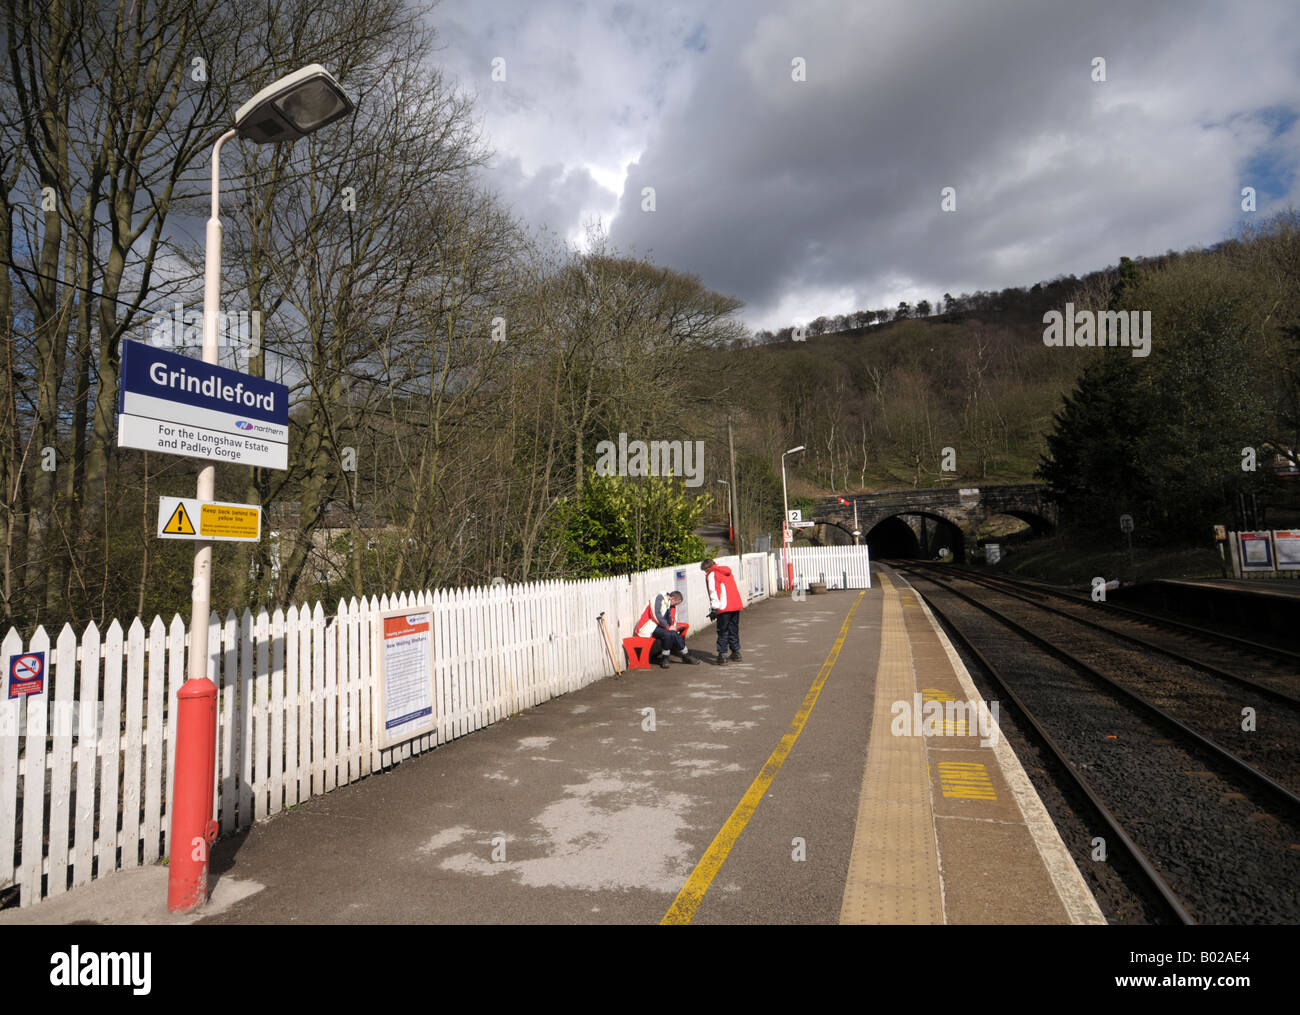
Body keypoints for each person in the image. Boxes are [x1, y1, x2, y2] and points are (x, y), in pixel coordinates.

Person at [635, 589, 699, 668]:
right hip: (648, 626)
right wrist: (668, 627)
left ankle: (672, 657)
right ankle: (682, 655)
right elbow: (655, 615)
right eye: (676, 603)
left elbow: (671, 619)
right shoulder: (659, 598)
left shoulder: (671, 605)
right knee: (668, 633)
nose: (676, 605)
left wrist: (673, 627)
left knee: (672, 633)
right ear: (672, 598)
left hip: (659, 627)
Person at [701, 558, 743, 664]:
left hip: (723, 606)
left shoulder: (712, 574)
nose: (705, 573)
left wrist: (714, 609)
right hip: (735, 604)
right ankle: (736, 652)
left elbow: (714, 591)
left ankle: (722, 655)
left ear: (707, 568)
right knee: (733, 629)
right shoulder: (726, 571)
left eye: (704, 570)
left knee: (723, 630)